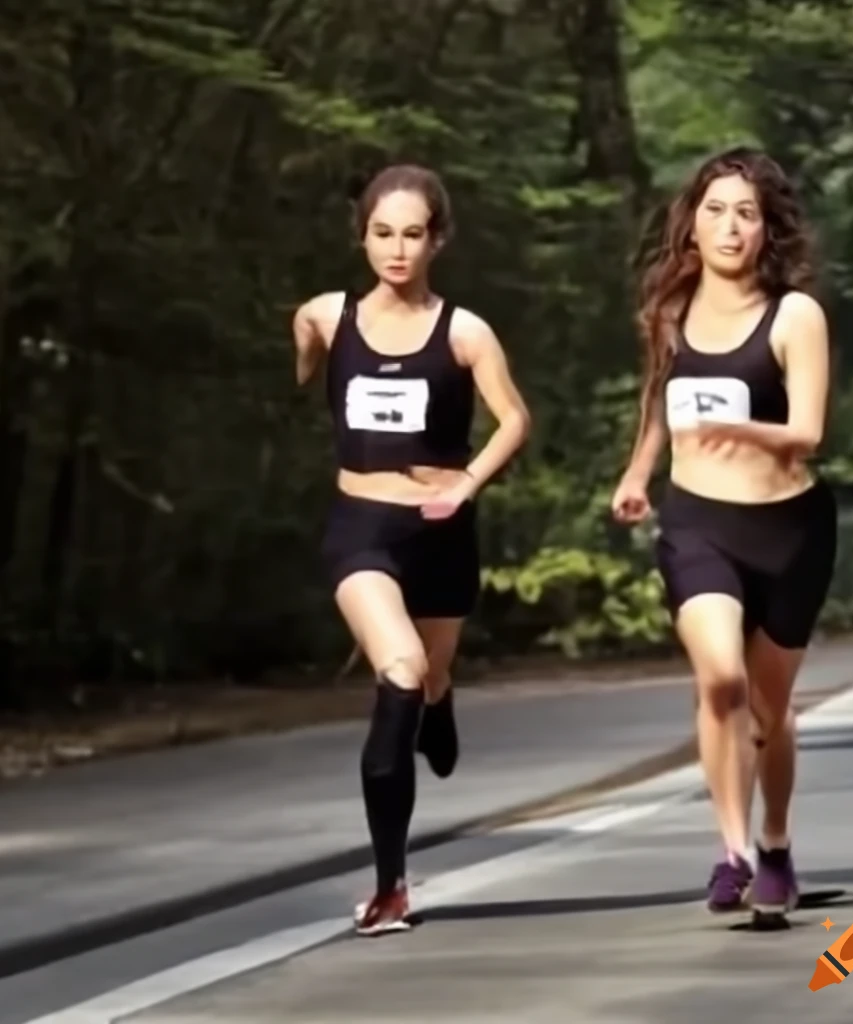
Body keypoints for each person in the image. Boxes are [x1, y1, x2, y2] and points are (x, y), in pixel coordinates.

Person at [291, 164, 531, 936]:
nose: (397, 250)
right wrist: (307, 364)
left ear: (439, 240)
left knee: (431, 670)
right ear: (361, 236)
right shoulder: (325, 319)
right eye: (383, 233)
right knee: (397, 670)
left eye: (413, 235)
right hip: (361, 528)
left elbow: (515, 420)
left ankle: (440, 695)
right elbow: (306, 367)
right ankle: (390, 885)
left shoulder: (464, 331)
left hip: (441, 530)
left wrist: (466, 485)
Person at [611, 147, 836, 916]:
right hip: (697, 522)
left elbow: (807, 430)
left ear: (767, 228)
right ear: (692, 224)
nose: (730, 227)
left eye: (747, 213)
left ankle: (776, 840)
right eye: (715, 211)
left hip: (791, 530)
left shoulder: (794, 315)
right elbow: (660, 404)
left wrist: (742, 424)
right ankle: (733, 852)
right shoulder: (670, 315)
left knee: (771, 711)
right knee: (720, 680)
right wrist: (639, 473)